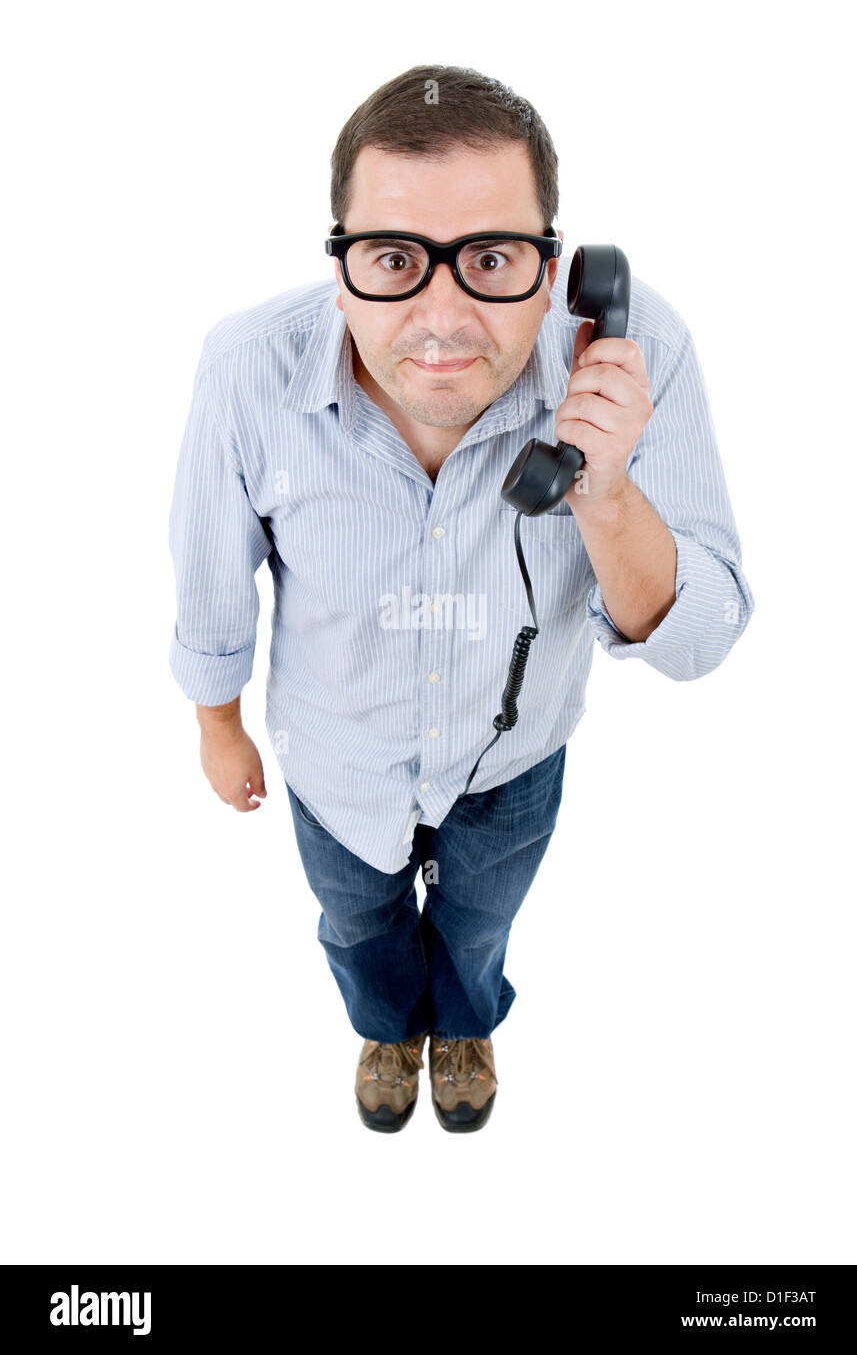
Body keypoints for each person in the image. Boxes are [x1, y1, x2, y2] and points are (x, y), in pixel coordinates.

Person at [168, 64, 754, 1134]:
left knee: (477, 932)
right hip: (336, 762)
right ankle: (388, 1028)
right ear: (340, 264)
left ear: (555, 266)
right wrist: (218, 727)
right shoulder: (246, 371)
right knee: (357, 928)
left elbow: (699, 637)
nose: (441, 318)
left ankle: (467, 1019)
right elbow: (212, 575)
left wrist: (606, 490)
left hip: (514, 761)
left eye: (490, 258)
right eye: (393, 258)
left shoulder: (632, 353)